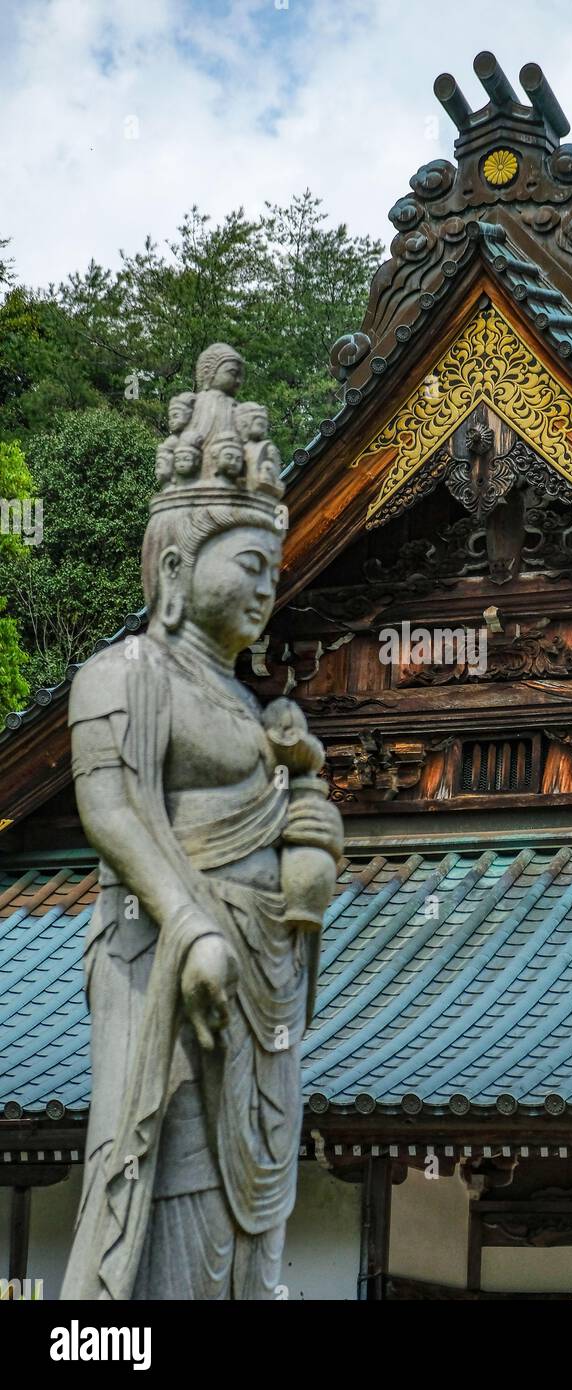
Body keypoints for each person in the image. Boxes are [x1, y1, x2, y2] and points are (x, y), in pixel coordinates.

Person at [61, 345, 342, 1301]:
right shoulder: (124, 676)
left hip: (262, 976)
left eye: (275, 570)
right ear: (179, 562)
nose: (269, 588)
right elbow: (112, 811)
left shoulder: (248, 703)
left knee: (252, 1192)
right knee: (175, 1172)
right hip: (169, 969)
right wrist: (188, 926)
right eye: (252, 564)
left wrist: (299, 770)